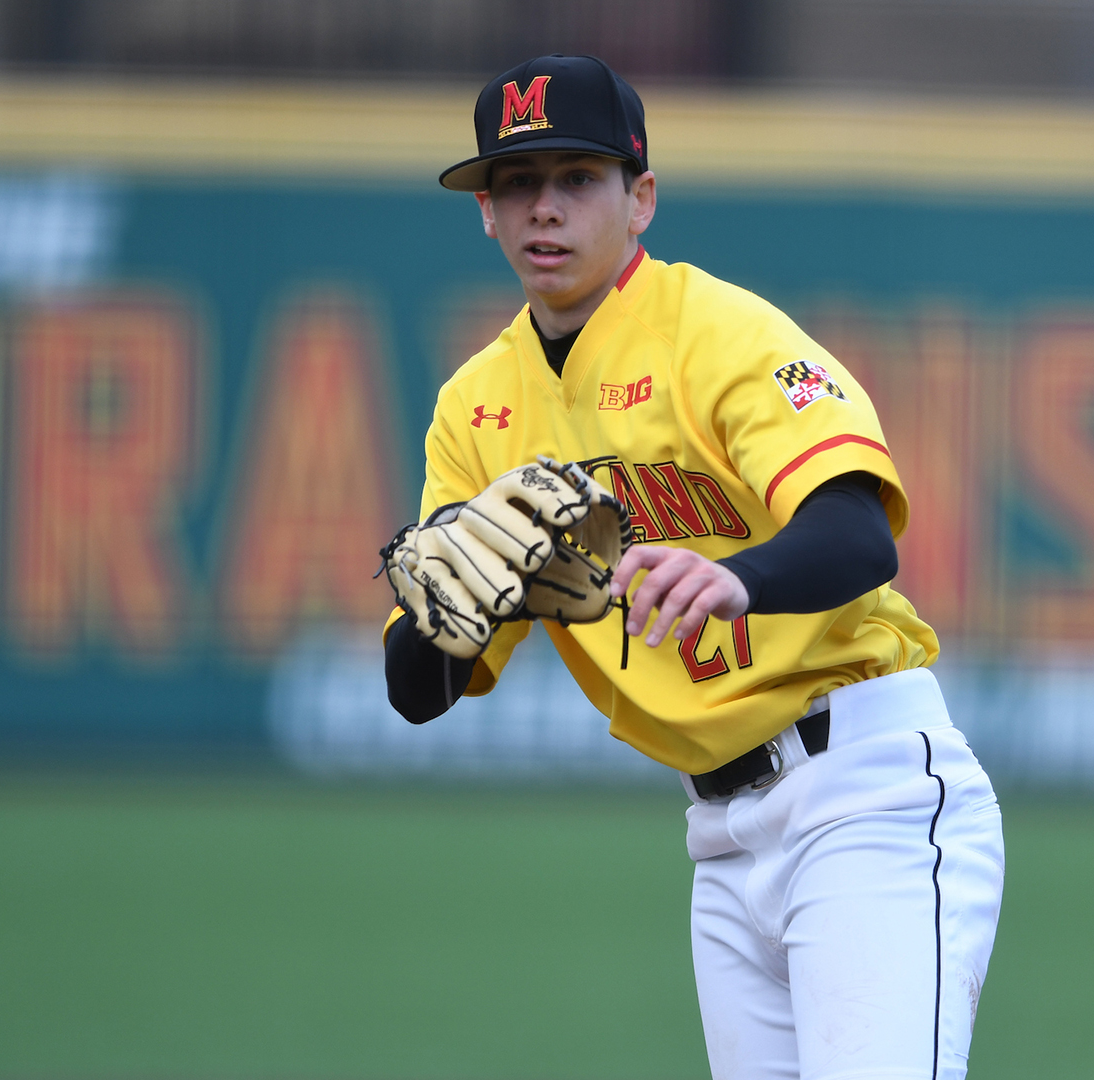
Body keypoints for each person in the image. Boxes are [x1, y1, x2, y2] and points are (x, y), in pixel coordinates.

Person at [381, 54, 1003, 1080]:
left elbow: (859, 533)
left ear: (641, 200)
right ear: (484, 214)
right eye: (516, 185)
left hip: (866, 796)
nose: (545, 210)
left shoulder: (717, 333)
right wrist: (456, 612)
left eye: (577, 179)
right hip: (720, 839)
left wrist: (740, 579)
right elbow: (418, 692)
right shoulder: (475, 411)